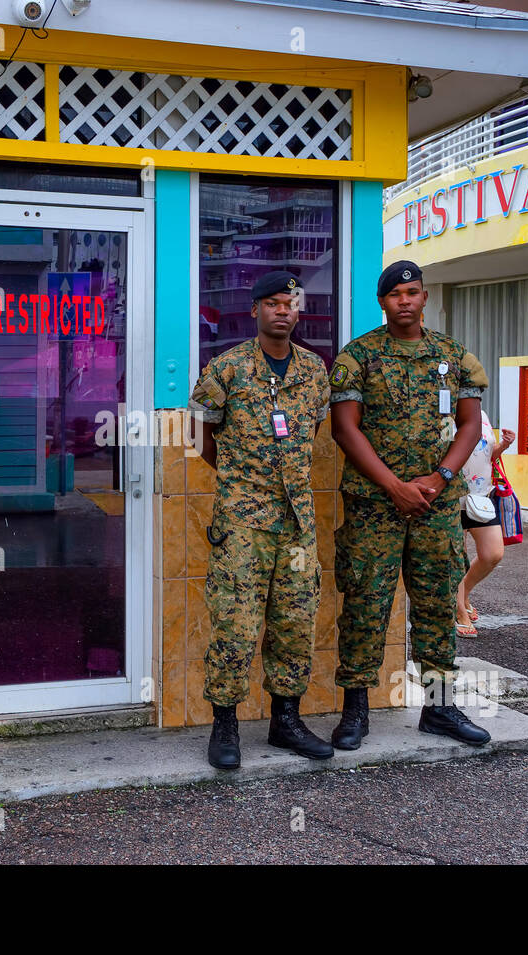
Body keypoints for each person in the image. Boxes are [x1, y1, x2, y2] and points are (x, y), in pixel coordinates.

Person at [328, 260, 492, 748]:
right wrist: (393, 486)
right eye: (396, 294)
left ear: (425, 298)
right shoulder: (357, 357)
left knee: (438, 603)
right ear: (383, 301)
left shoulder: (454, 356)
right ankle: (355, 710)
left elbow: (469, 425)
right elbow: (344, 429)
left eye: (414, 292)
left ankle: (440, 708)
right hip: (375, 507)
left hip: (436, 507)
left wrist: (440, 479)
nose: (405, 300)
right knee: (364, 603)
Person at [188, 270, 333, 770]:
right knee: (236, 622)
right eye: (272, 303)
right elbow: (202, 437)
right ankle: (224, 723)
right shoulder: (226, 368)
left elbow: (311, 431)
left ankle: (285, 721)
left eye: (290, 303)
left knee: (294, 622)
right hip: (243, 523)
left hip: (297, 523)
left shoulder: (315, 370)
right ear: (254, 310)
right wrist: (240, 479)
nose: (282, 311)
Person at [455, 411, 515, 636]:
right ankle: (459, 610)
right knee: (456, 558)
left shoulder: (480, 414)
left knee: (493, 554)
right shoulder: (441, 409)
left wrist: (504, 445)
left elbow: (487, 453)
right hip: (452, 498)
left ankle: (465, 591)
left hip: (481, 497)